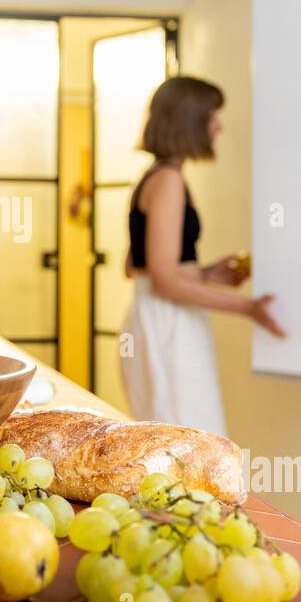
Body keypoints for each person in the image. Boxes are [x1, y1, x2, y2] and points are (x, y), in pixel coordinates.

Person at [121, 76, 285, 437]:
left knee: (179, 437)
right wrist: (248, 308)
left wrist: (207, 272)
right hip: (169, 324)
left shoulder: (156, 177)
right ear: (189, 121)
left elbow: (137, 266)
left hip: (159, 319)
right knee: (192, 441)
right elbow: (163, 281)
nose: (218, 126)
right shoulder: (168, 181)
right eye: (212, 115)